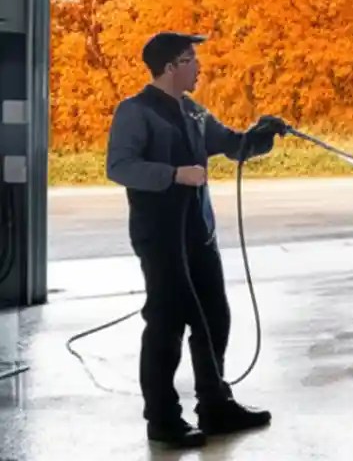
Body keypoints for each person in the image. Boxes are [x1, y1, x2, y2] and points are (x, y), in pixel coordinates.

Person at [105, 32, 289, 448]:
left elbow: (233, 145)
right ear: (170, 67)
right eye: (191, 59)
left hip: (198, 235)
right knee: (167, 322)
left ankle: (215, 406)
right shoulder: (135, 112)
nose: (199, 67)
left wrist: (262, 134)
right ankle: (162, 419)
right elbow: (119, 166)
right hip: (161, 237)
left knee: (214, 316)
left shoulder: (194, 112)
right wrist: (174, 175)